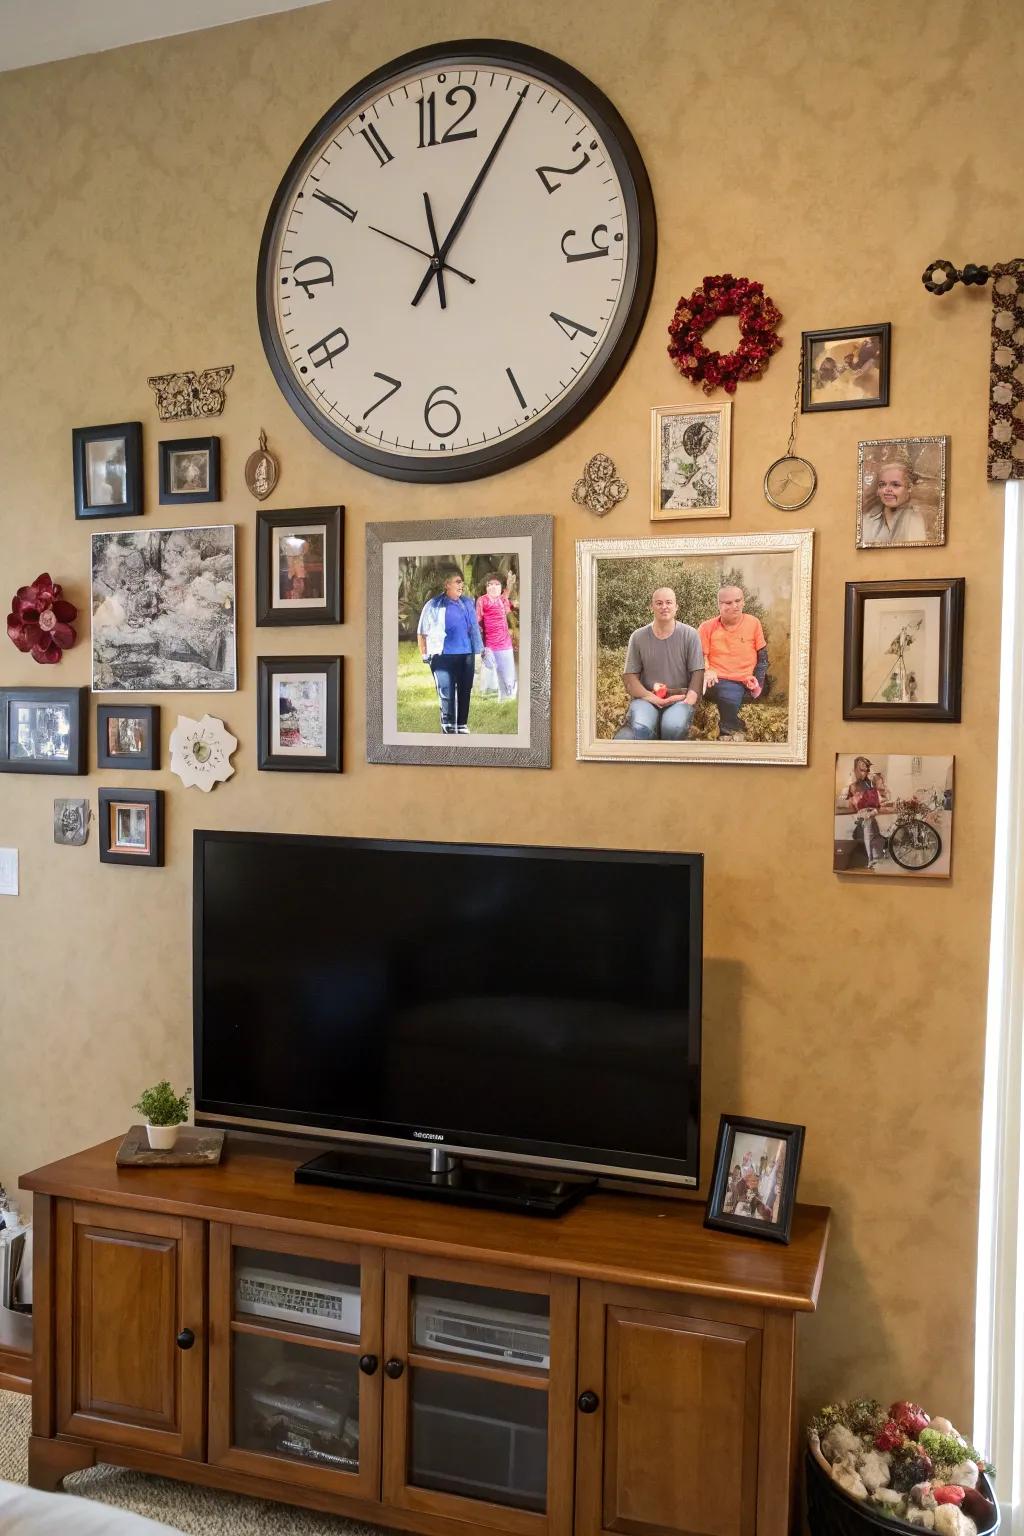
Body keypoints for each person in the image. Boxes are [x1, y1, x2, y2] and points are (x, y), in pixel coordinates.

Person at [615, 587, 703, 741]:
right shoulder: (638, 636)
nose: (664, 607)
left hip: (678, 699)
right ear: (651, 607)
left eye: (669, 602)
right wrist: (651, 697)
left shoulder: (690, 634)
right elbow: (630, 677)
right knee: (641, 726)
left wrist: (690, 698)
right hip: (646, 698)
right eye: (659, 603)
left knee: (673, 726)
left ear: (676, 607)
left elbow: (698, 671)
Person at [417, 569, 483, 734]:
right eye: (457, 582)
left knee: (464, 690)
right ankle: (448, 726)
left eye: (461, 582)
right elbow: (422, 631)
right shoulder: (433, 604)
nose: (461, 585)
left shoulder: (468, 603)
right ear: (447, 584)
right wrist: (425, 654)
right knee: (446, 692)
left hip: (466, 655)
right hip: (442, 656)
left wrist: (480, 650)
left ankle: (461, 725)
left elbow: (474, 628)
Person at [698, 586, 768, 741]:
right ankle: (731, 729)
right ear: (719, 605)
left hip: (745, 682)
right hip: (715, 680)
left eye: (738, 601)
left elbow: (762, 658)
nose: (734, 606)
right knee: (724, 688)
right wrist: (707, 670)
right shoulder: (706, 627)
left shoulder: (753, 623)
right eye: (728, 603)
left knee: (730, 690)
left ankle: (729, 730)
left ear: (743, 602)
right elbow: (700, 657)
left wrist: (758, 684)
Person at [861, 459, 929, 546]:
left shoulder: (915, 519)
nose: (887, 490)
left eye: (895, 485)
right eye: (882, 484)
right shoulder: (867, 519)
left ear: (909, 488)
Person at [475, 574, 518, 701]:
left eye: (496, 584)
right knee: (489, 675)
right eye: (490, 585)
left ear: (500, 588)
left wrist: (510, 583)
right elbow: (477, 619)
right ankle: (487, 696)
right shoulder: (482, 600)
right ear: (486, 588)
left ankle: (507, 699)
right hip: (490, 646)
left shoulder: (503, 600)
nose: (493, 587)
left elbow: (507, 594)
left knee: (508, 676)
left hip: (505, 646)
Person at [846, 755, 887, 867]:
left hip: (871, 813)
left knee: (876, 836)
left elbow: (878, 800)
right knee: (869, 836)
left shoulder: (869, 784)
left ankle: (874, 858)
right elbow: (854, 802)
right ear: (856, 770)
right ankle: (870, 860)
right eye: (863, 770)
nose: (866, 772)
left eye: (867, 769)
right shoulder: (855, 785)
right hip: (865, 814)